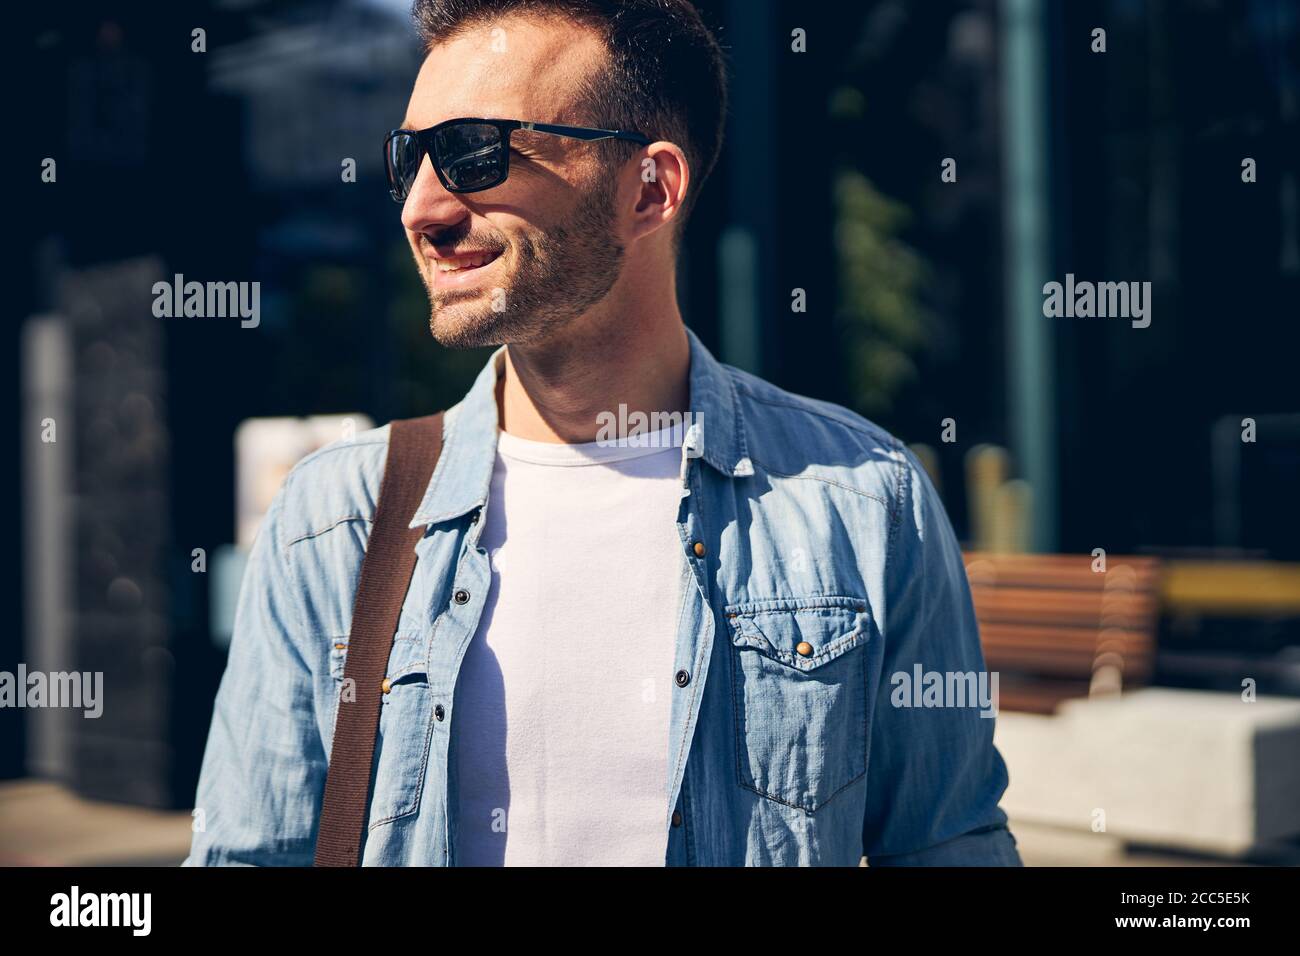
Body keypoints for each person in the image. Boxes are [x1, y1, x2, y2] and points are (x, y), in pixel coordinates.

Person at [185, 0, 1021, 866]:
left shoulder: (862, 500)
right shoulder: (337, 517)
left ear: (649, 189)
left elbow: (946, 844)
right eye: (409, 159)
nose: (421, 208)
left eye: (474, 152)